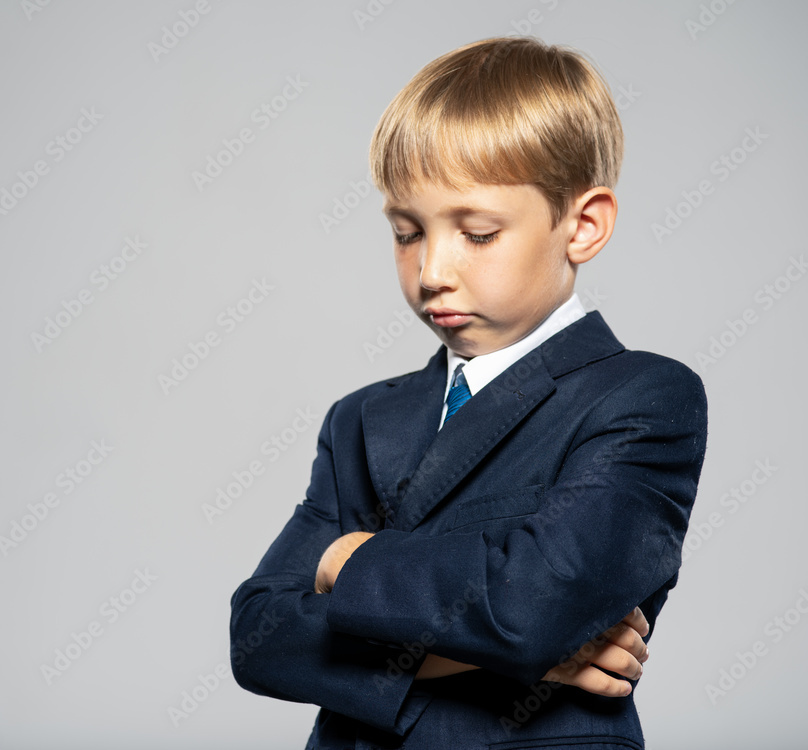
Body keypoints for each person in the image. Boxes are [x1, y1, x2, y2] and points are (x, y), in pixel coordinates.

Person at [229, 36, 708, 749]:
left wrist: (343, 560)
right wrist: (501, 649)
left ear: (583, 225)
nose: (430, 272)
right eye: (405, 232)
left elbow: (530, 606)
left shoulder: (643, 396)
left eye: (477, 234)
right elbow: (258, 634)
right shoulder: (362, 417)